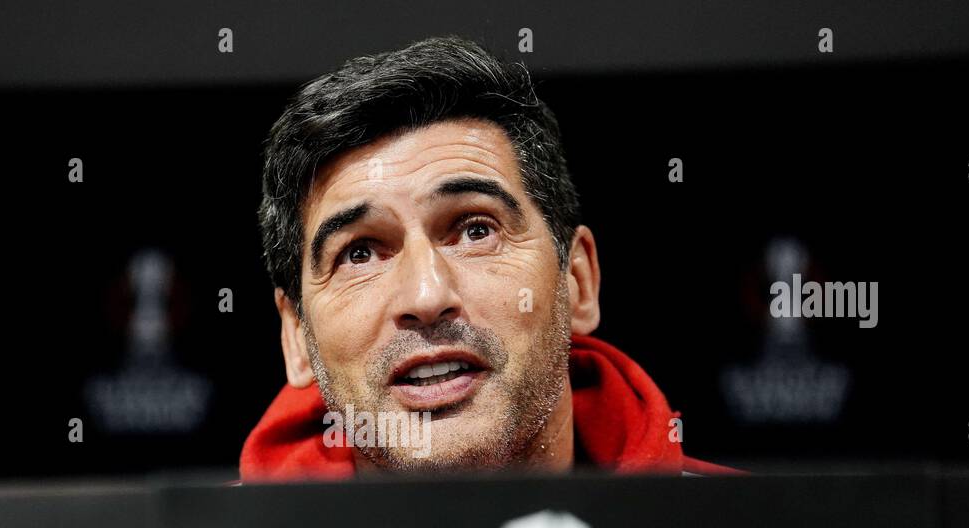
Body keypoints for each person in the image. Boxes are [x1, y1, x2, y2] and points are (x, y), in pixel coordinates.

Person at [242, 35, 735, 480]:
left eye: (476, 230)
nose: (426, 296)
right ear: (297, 336)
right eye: (360, 253)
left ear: (578, 281)